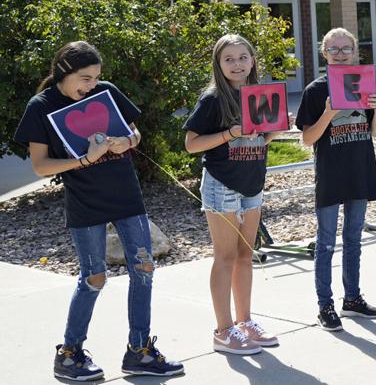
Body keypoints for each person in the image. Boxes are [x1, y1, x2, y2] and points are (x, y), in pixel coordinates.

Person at [17, 42, 184, 380]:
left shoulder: (105, 92)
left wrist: (130, 141)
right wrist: (84, 160)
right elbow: (40, 166)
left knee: (145, 270)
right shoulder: (41, 105)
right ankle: (70, 353)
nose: (91, 86)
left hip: (126, 196)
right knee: (93, 278)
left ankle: (139, 351)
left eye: (95, 78)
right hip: (85, 202)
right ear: (63, 71)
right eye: (84, 78)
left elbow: (134, 132)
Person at [183, 34, 281, 354]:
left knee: (244, 256)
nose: (237, 64)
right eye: (229, 59)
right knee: (225, 257)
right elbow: (192, 144)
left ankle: (245, 322)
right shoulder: (212, 99)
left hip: (252, 184)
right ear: (219, 64)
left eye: (243, 57)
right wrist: (229, 132)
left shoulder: (261, 95)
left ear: (253, 60)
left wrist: (274, 132)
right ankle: (223, 331)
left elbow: (256, 141)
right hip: (222, 184)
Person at [296, 28, 376, 330]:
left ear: (355, 51)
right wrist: (327, 114)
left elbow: (374, 133)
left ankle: (352, 298)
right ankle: (325, 304)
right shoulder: (315, 90)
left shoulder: (364, 84)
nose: (340, 54)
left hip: (360, 169)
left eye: (346, 49)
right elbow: (308, 139)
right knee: (325, 244)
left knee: (353, 240)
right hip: (331, 174)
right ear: (324, 53)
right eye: (333, 49)